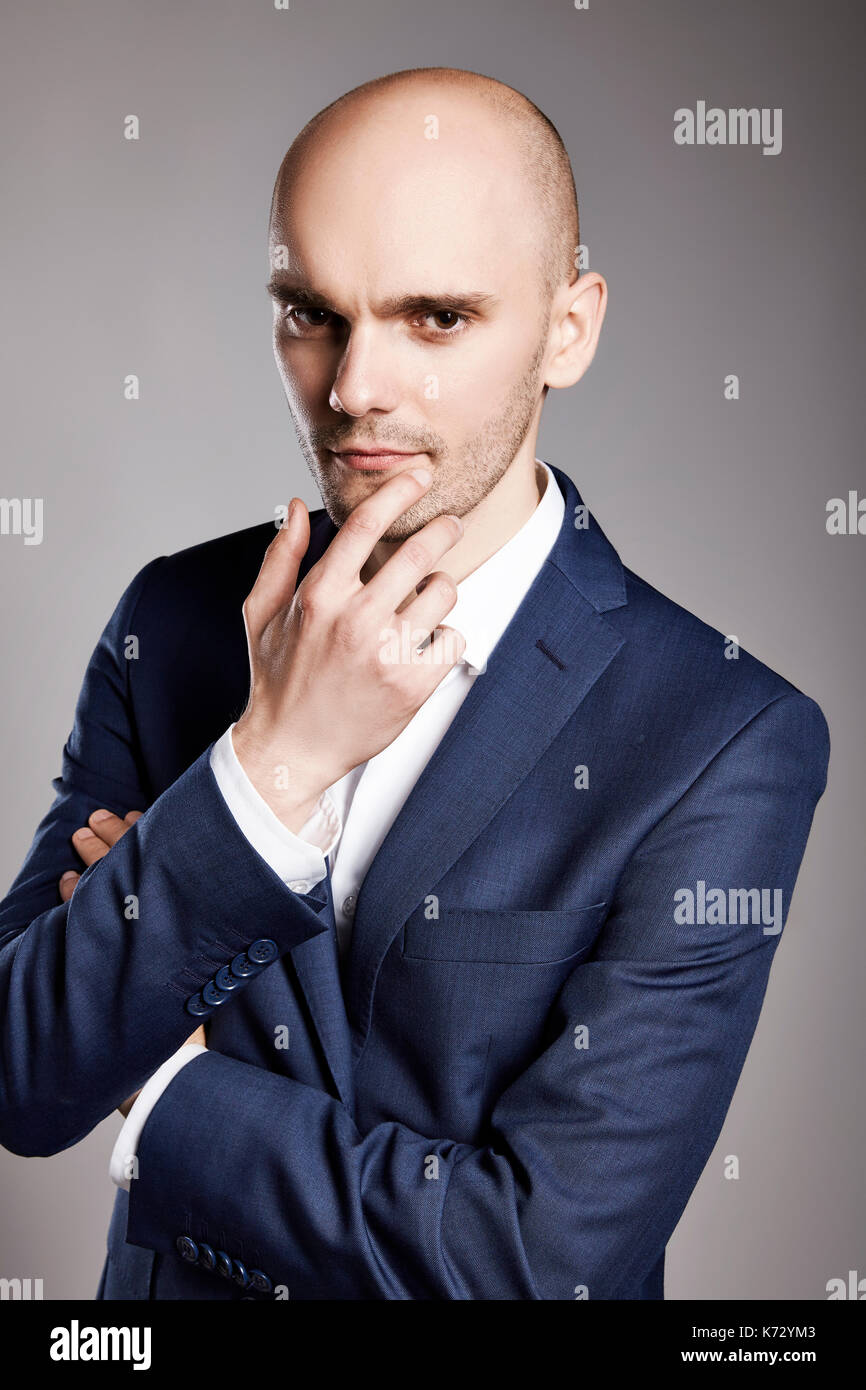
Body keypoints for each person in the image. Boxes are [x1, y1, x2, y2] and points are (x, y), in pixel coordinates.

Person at [0, 66, 829, 1300]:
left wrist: (168, 1082)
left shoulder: (723, 732)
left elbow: (532, 1264)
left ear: (569, 327)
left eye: (434, 318)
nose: (351, 389)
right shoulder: (174, 621)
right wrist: (267, 765)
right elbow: (22, 1066)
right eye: (309, 311)